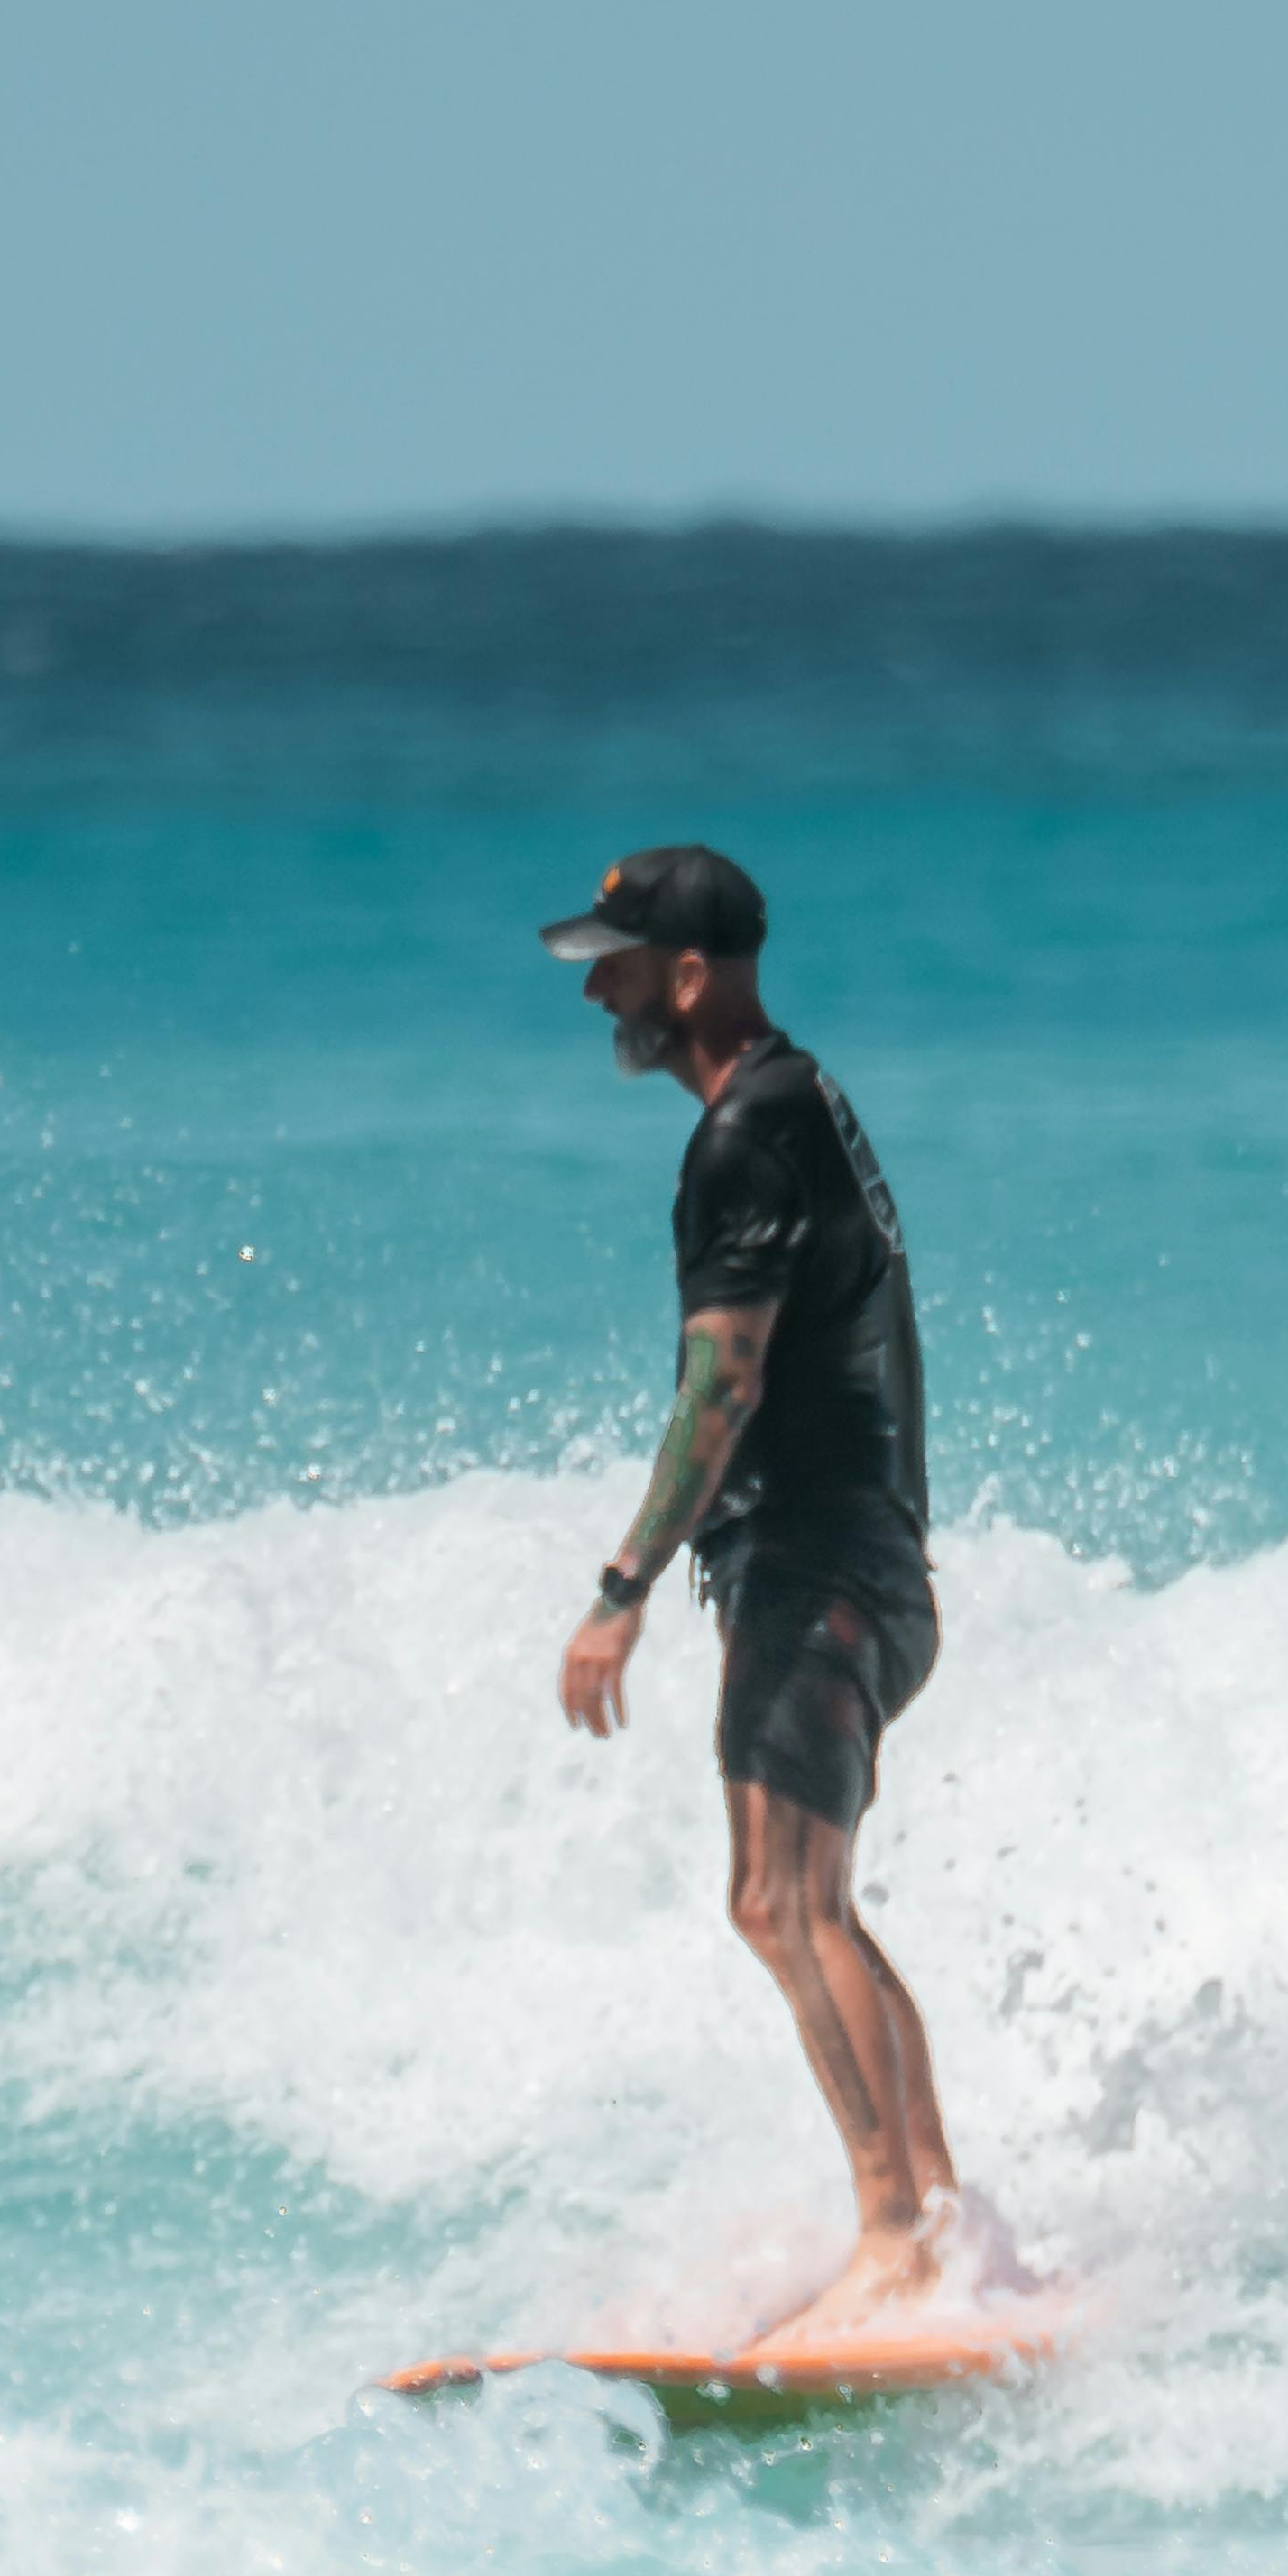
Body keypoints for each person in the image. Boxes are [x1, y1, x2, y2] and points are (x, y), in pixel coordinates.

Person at [546, 843, 963, 2342]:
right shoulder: (805, 1099)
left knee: (780, 1902)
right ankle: (933, 2208)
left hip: (815, 1565)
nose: (598, 987)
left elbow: (720, 1389)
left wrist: (622, 1585)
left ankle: (899, 2238)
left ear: (692, 976)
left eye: (618, 962)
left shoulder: (741, 1140)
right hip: (868, 1564)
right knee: (807, 1905)